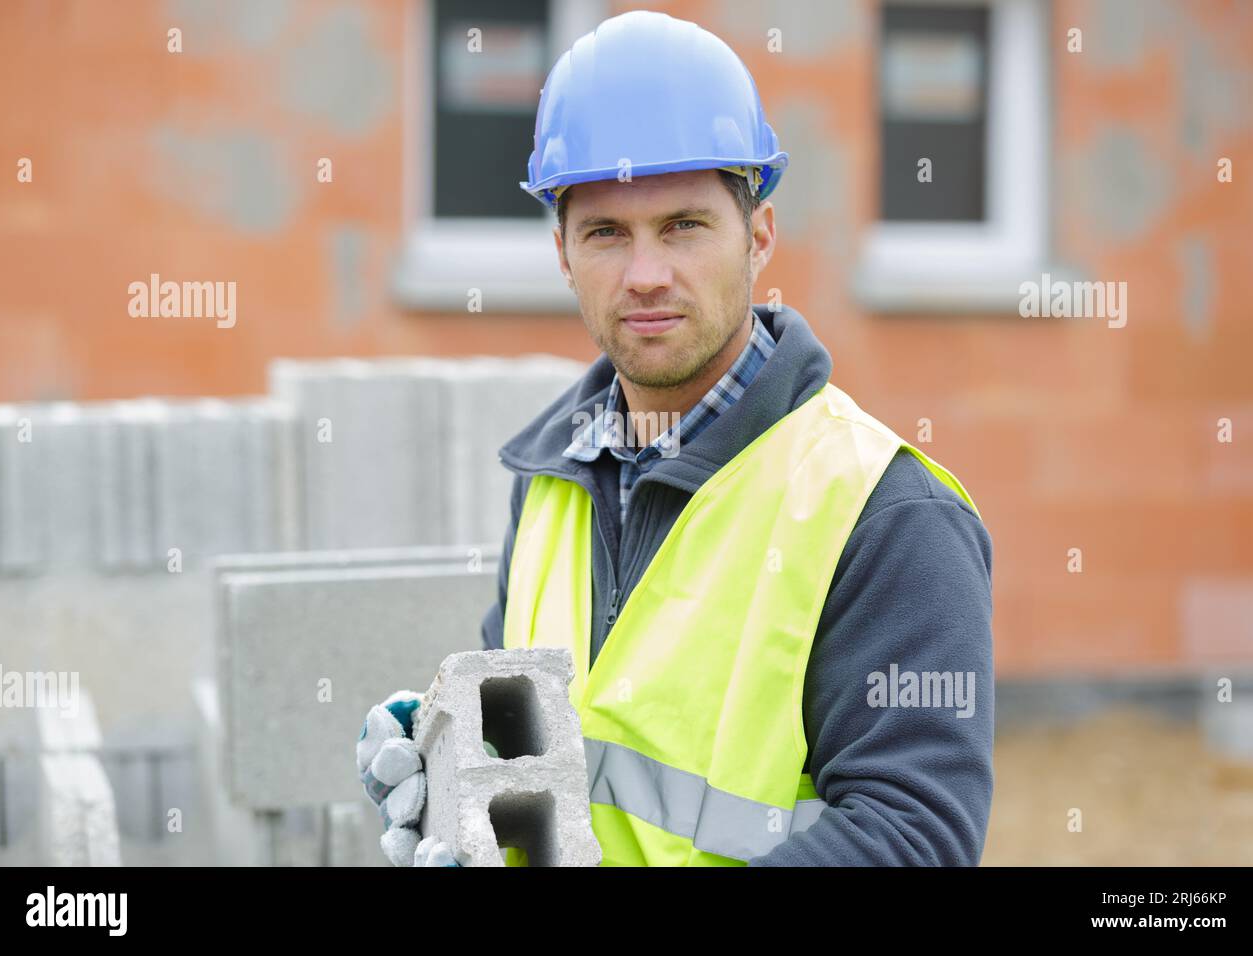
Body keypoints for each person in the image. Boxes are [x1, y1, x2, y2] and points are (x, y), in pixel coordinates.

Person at [357, 9, 993, 867]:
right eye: (606, 234)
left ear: (758, 234)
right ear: (562, 253)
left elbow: (914, 838)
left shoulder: (884, 511)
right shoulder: (549, 482)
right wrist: (453, 765)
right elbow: (554, 770)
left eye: (684, 226)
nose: (646, 274)